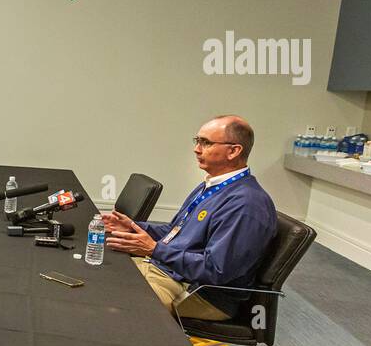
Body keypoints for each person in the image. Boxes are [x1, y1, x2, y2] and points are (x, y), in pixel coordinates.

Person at [103, 115, 277, 320]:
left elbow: (216, 270)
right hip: (169, 271)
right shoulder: (213, 185)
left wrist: (154, 249)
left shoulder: (246, 204)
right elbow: (176, 232)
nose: (197, 149)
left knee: (111, 304)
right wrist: (133, 227)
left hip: (199, 294)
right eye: (198, 141)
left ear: (233, 151)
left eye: (206, 143)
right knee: (99, 276)